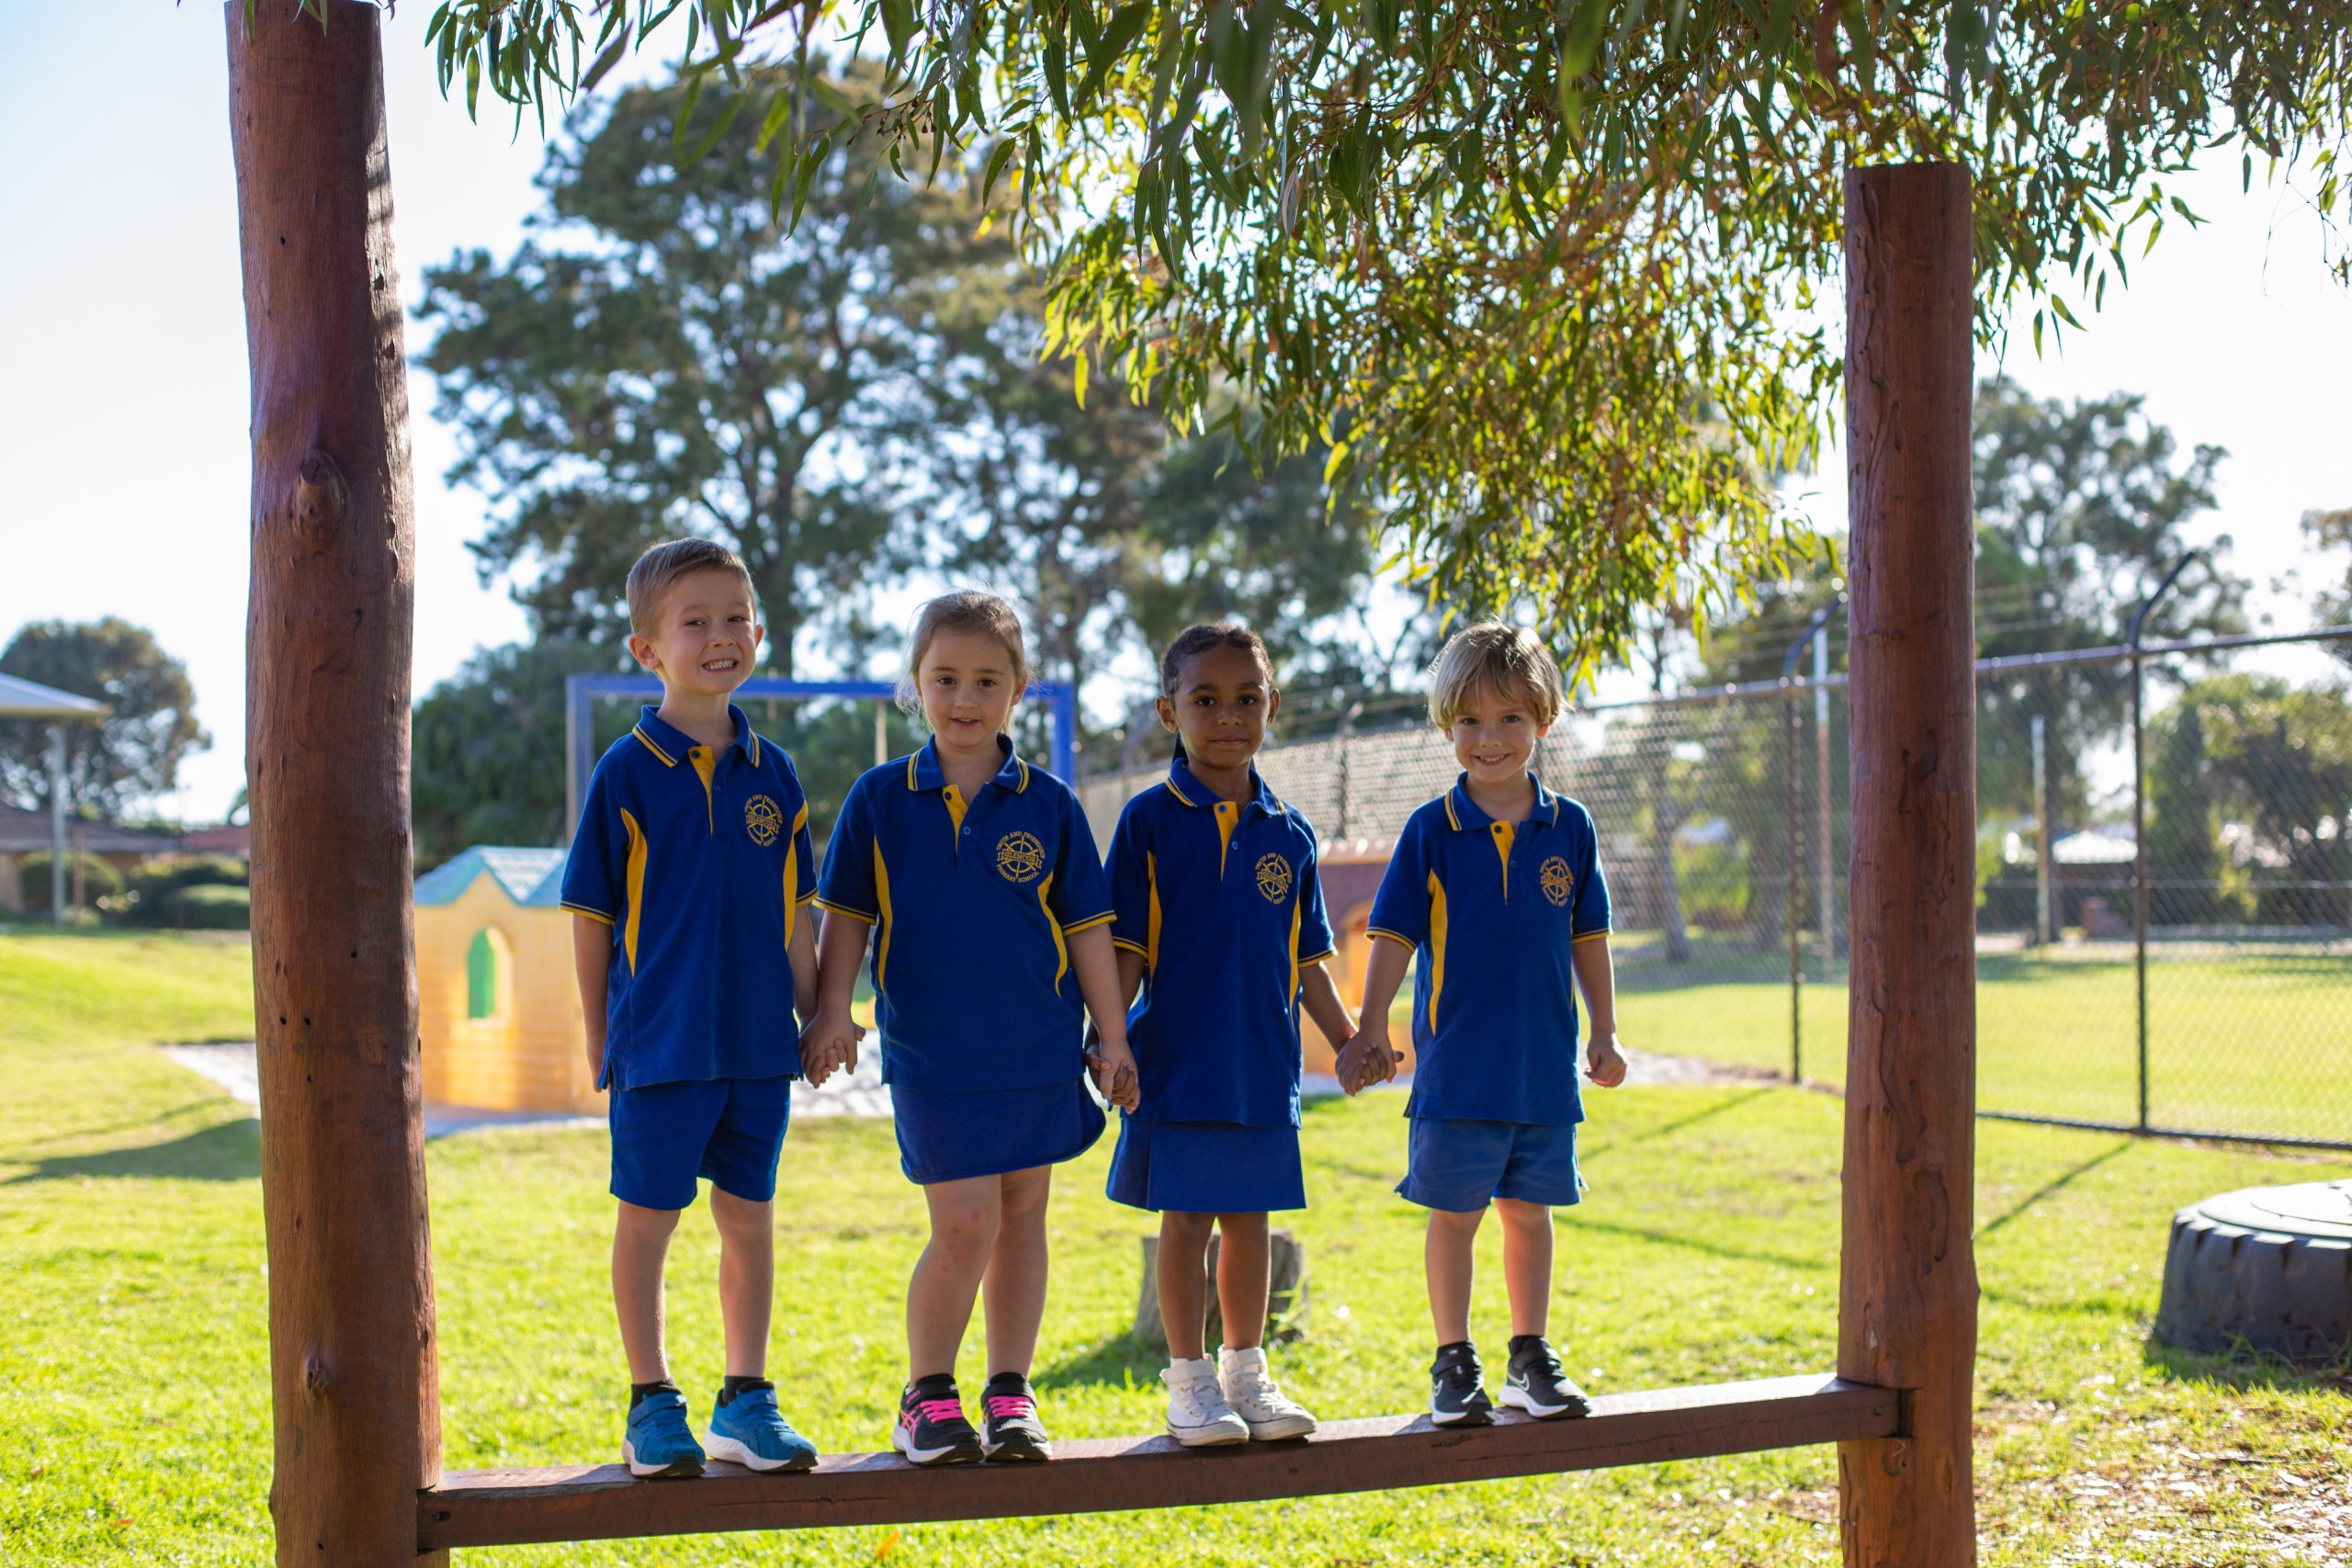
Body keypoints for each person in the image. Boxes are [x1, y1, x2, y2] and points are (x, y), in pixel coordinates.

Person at [800, 591, 1141, 1467]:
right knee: (963, 1225)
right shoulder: (881, 798)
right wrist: (834, 1009)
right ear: (915, 684)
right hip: (931, 1052)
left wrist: (1113, 1034)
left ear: (1019, 687)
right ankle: (927, 1395)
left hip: (1035, 1044)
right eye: (945, 677)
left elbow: (1089, 929)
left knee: (1024, 1213)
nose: (964, 697)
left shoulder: (1052, 803)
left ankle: (1009, 1393)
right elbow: (846, 918)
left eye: (986, 679)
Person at [560, 538, 835, 1479]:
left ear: (758, 631)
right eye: (695, 622)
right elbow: (592, 920)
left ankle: (745, 1401)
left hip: (759, 1049)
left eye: (734, 618)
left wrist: (819, 1014)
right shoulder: (624, 775)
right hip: (659, 1047)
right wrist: (601, 1037)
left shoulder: (778, 774)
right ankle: (650, 1403)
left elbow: (798, 916)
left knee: (748, 1219)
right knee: (648, 1220)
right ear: (648, 649)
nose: (720, 637)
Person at [1338, 622, 1628, 1427]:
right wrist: (1371, 1028)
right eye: (1469, 720)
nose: (1489, 738)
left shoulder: (1570, 826)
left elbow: (1588, 934)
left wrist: (1604, 1031)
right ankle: (1452, 1359)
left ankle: (1528, 1357)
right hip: (1457, 1071)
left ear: (1544, 720)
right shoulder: (1431, 829)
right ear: (1447, 726)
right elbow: (1391, 936)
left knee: (1528, 1215)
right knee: (1455, 1216)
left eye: (1509, 719)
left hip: (1541, 1068)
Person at [1103, 624, 1355, 1447]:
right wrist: (1111, 1039)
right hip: (1175, 1064)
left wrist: (1348, 1039)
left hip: (1261, 1066)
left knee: (1249, 1218)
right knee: (1186, 1220)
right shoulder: (1147, 822)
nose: (1228, 715)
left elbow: (1309, 961)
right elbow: (1126, 955)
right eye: (1205, 699)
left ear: (1272, 705)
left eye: (1247, 698)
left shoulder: (1292, 833)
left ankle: (1248, 1376)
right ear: (1168, 710)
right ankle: (1189, 1383)